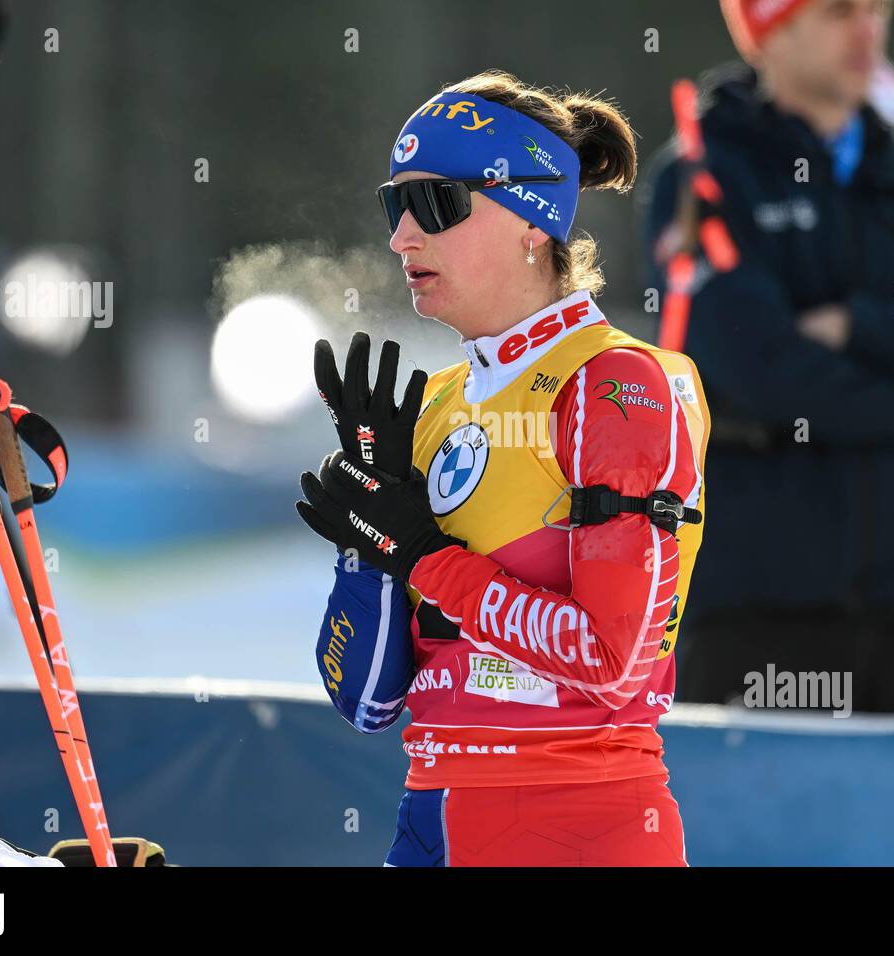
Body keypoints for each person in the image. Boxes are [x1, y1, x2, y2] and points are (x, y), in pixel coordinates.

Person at [297, 70, 710, 866]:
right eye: (396, 203)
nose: (402, 236)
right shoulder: (434, 404)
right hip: (433, 817)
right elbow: (366, 701)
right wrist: (370, 552)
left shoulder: (620, 385)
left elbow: (610, 664)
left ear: (532, 219)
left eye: (438, 204)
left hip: (576, 821)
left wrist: (422, 554)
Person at [640, 0, 894, 713]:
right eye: (837, 11)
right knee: (754, 828)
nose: (868, 31)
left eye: (876, 9)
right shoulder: (704, 177)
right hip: (755, 607)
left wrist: (858, 327)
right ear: (767, 32)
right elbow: (756, 371)